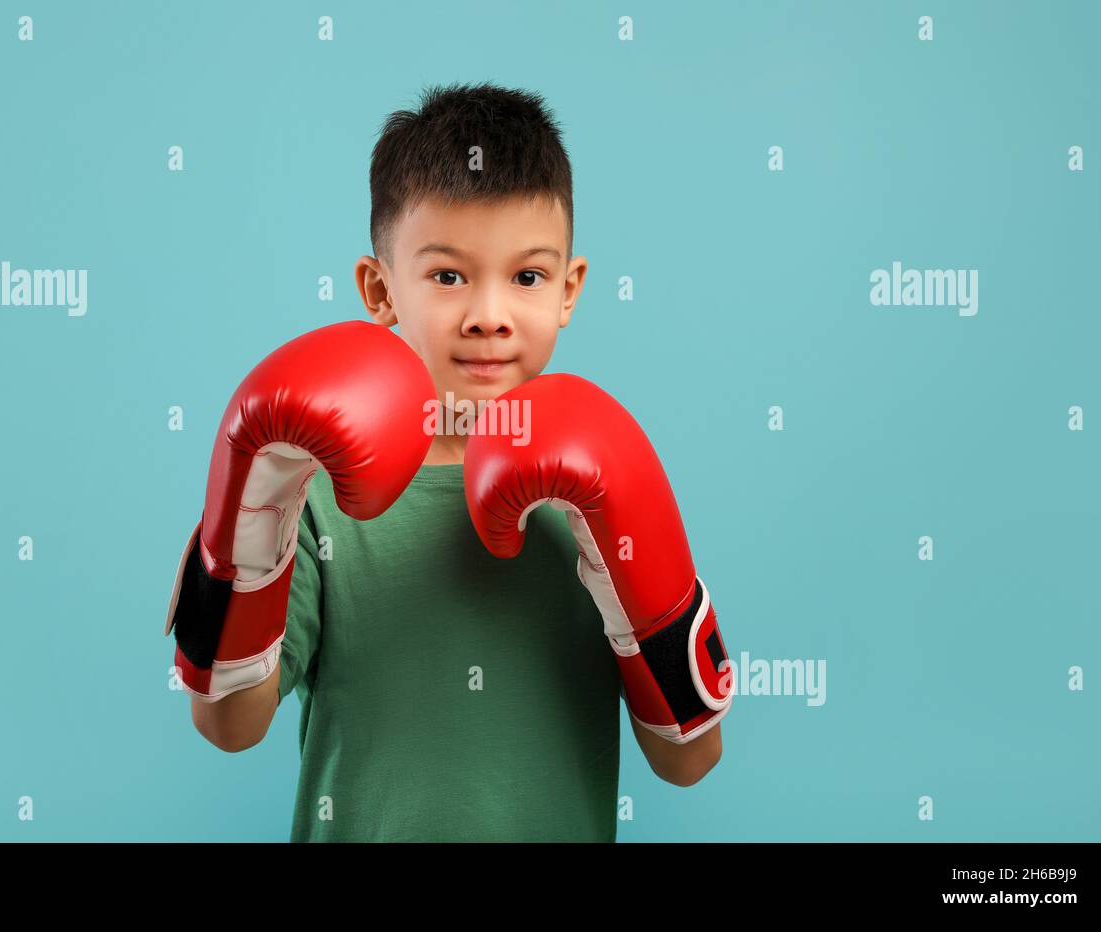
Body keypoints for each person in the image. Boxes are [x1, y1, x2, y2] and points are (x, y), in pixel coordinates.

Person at [164, 82, 730, 842]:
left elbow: (688, 763)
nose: (488, 314)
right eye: (447, 275)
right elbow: (229, 724)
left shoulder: (600, 489)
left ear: (570, 289)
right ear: (378, 288)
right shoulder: (319, 496)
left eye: (526, 277)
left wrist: (635, 572)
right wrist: (253, 509)